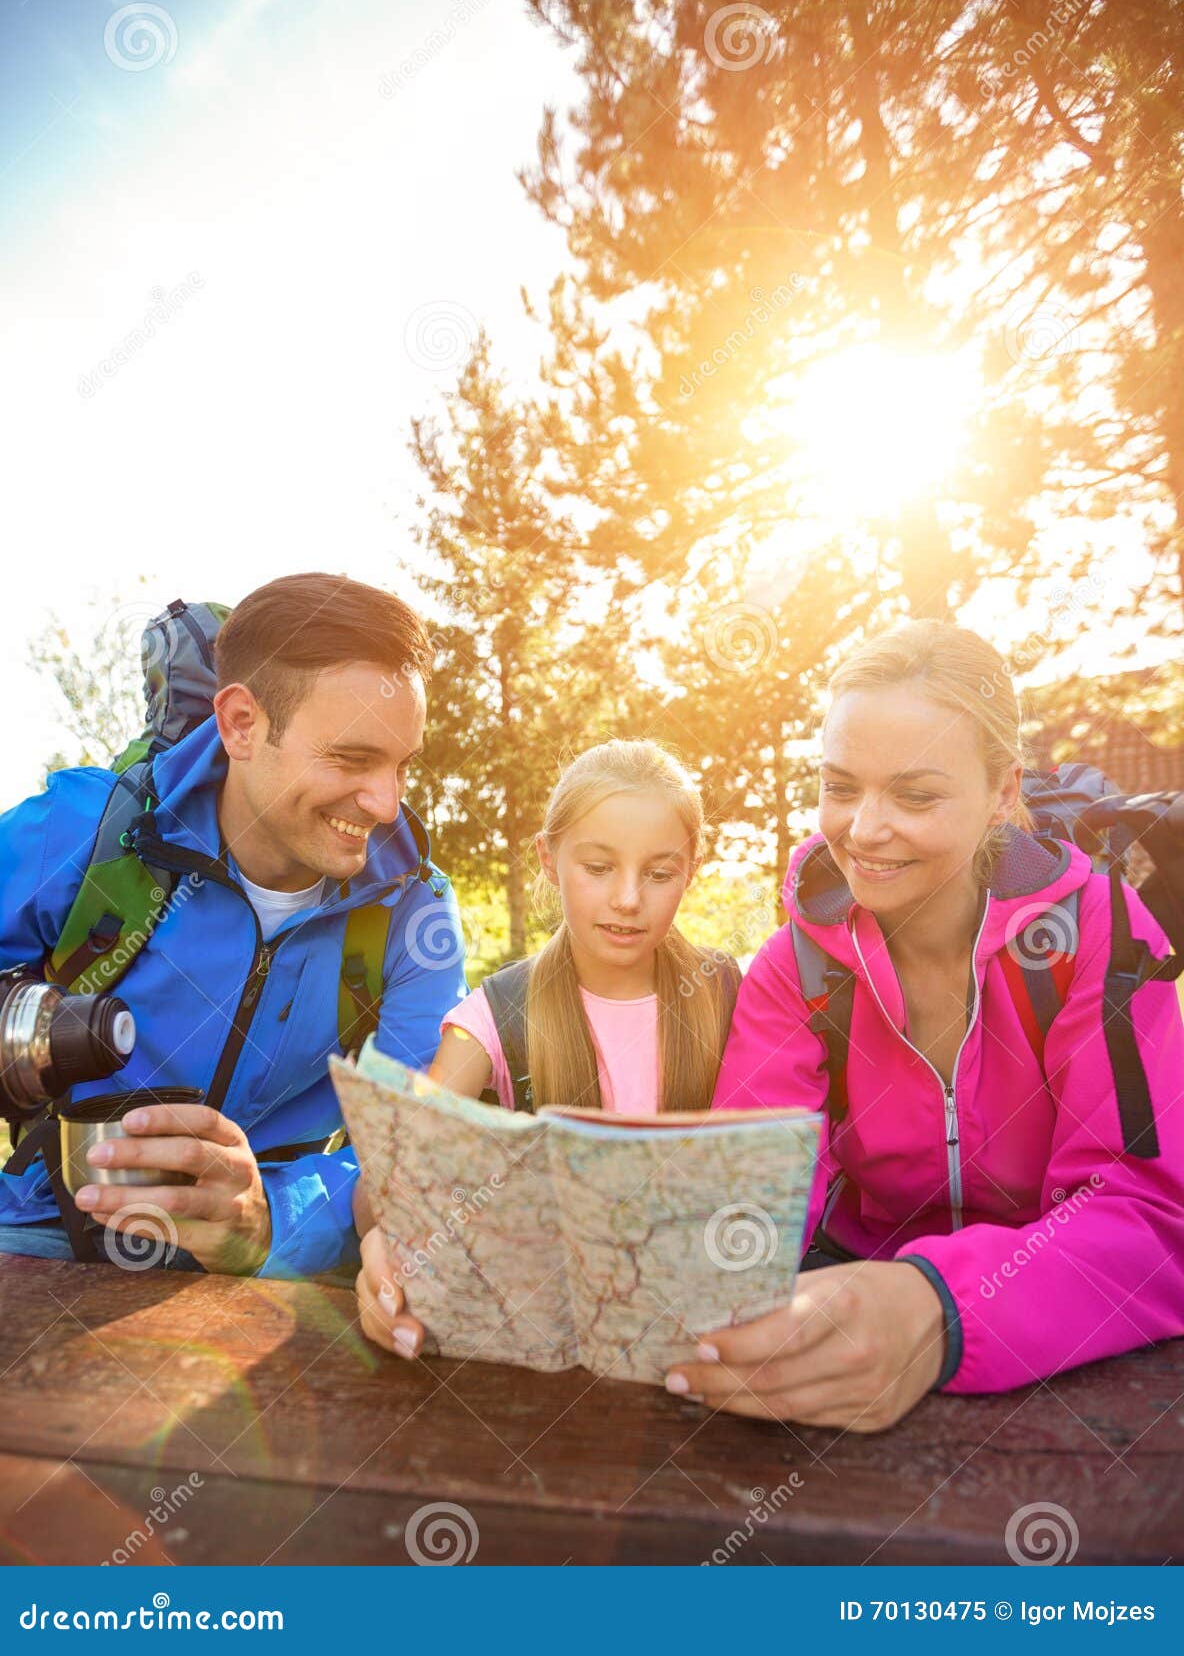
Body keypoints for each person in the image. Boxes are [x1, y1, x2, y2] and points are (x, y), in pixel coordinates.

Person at [664, 620, 1184, 1430]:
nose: (864, 830)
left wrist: (938, 1307)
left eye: (915, 795)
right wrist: (721, 1287)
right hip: (843, 1311)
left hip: (1062, 1356)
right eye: (841, 787)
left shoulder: (1100, 937)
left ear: (1004, 793)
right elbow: (749, 1185)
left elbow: (1145, 1217)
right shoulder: (796, 965)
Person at [0, 573, 465, 1277]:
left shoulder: (415, 915)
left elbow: (417, 1154)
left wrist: (273, 1218)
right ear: (241, 723)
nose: (384, 802)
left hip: (278, 1276)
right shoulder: (84, 829)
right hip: (43, 1237)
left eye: (401, 764)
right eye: (352, 758)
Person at [353, 738, 739, 1356]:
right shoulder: (495, 1015)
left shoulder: (730, 995)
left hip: (699, 1345)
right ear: (548, 857)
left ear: (692, 869)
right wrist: (385, 1242)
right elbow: (392, 1181)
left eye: (660, 873)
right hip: (550, 1350)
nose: (628, 899)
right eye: (598, 867)